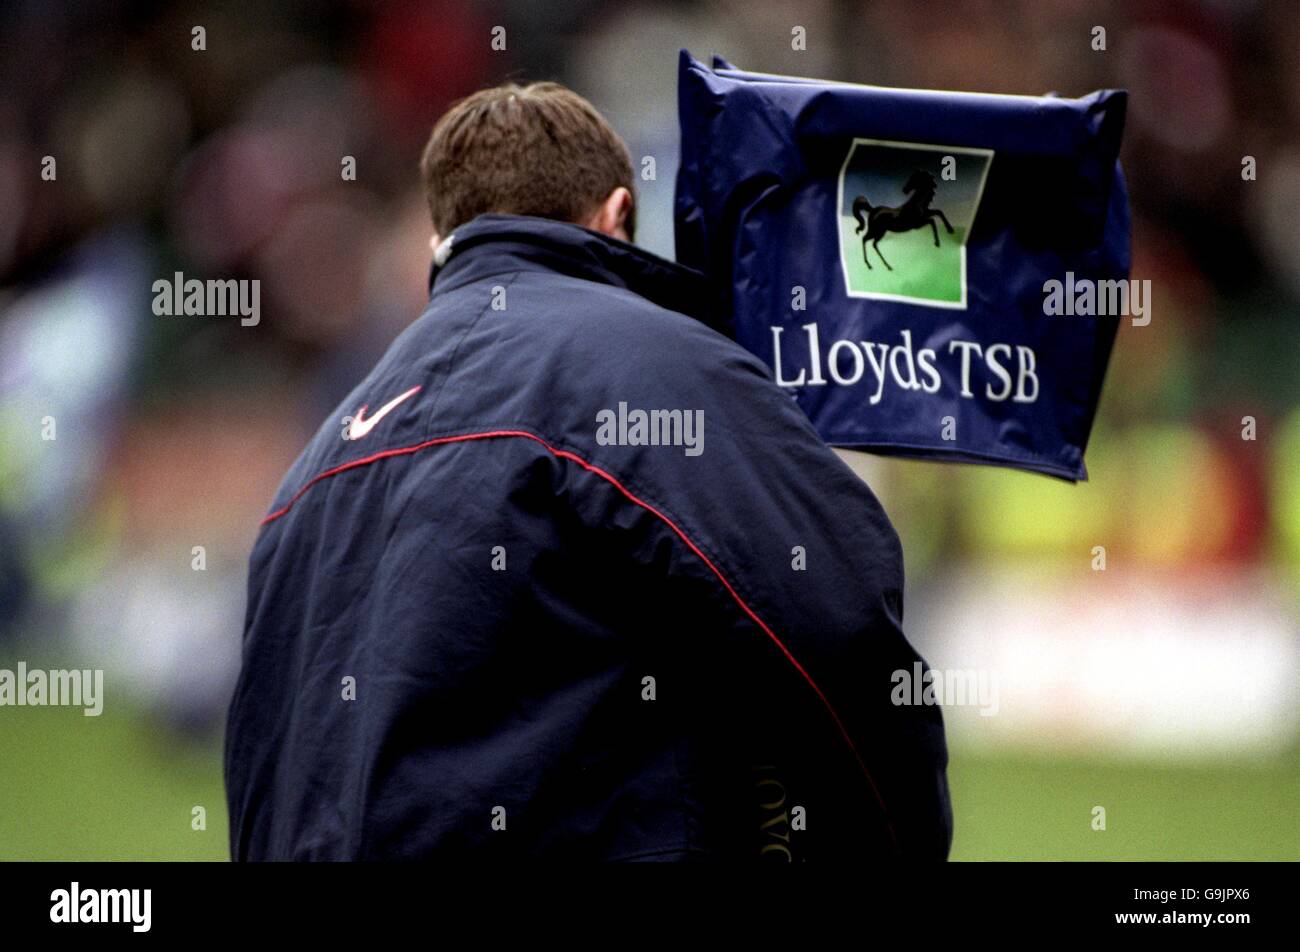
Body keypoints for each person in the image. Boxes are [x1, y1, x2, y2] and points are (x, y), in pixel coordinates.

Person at [224, 81, 952, 861]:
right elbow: (830, 629)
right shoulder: (658, 367)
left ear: (443, 239)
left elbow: (263, 755)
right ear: (615, 217)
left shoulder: (325, 451)